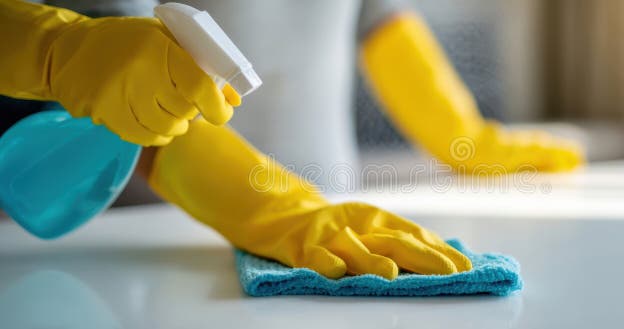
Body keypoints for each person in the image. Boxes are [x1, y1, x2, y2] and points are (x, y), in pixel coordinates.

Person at [0, 0, 583, 279]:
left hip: (346, 220)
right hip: (149, 247)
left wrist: (468, 141)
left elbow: (381, 25)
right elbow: (135, 94)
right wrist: (276, 210)